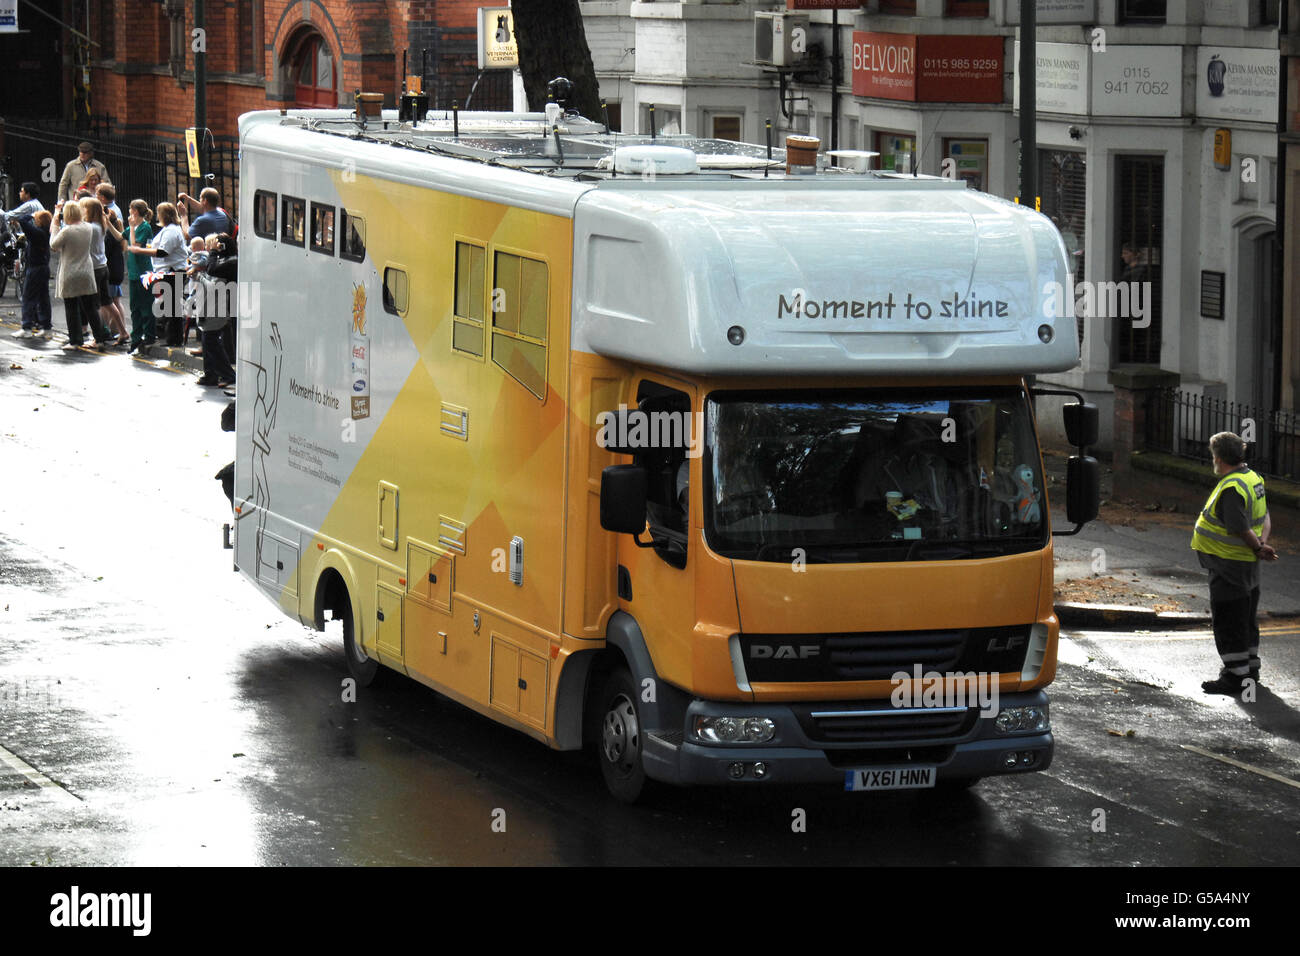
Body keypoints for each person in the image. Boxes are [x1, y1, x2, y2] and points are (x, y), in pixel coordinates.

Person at [1191, 431, 1278, 695]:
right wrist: (1261, 545)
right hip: (1246, 565)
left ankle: (1235, 678)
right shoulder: (1252, 479)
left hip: (1228, 566)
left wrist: (1258, 546)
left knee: (1229, 620)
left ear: (1218, 458)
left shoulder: (1231, 488)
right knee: (1245, 618)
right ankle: (1250, 669)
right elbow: (1264, 517)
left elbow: (1239, 526)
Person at [49, 200, 110, 350]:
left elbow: (53, 245)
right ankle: (100, 339)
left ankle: (75, 341)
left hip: (70, 271)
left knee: (71, 307)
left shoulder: (67, 231)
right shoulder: (88, 227)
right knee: (90, 307)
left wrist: (56, 223)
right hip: (86, 271)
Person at [127, 202, 187, 346]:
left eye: (159, 213)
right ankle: (172, 338)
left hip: (172, 271)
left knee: (172, 307)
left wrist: (140, 251)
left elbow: (163, 252)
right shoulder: (168, 229)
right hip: (166, 271)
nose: (157, 215)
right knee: (169, 306)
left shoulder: (171, 231)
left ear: (164, 215)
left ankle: (174, 339)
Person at [79, 197, 127, 346]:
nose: (82, 211)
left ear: (90, 211)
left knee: (94, 305)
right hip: (103, 267)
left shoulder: (90, 227)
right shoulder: (100, 225)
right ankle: (123, 331)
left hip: (93, 269)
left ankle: (97, 337)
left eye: (84, 208)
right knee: (108, 303)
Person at [195, 232, 237, 387]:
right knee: (209, 342)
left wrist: (199, 276)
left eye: (212, 245)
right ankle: (210, 374)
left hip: (220, 307)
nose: (209, 249)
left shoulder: (231, 262)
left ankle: (228, 375)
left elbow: (213, 281)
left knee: (211, 341)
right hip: (213, 307)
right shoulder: (224, 260)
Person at [12, 210, 52, 339]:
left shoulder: (37, 233)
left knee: (28, 297)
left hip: (35, 268)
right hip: (44, 268)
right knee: (43, 298)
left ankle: (26, 327)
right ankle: (46, 327)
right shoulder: (47, 232)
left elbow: (22, 220)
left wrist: (32, 215)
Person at [124, 200, 155, 351]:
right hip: (133, 273)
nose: (129, 210)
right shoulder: (134, 227)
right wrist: (107, 221)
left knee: (146, 307)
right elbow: (120, 237)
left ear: (135, 211)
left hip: (144, 273)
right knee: (134, 307)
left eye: (130, 208)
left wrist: (130, 227)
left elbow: (135, 245)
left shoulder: (144, 227)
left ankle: (149, 336)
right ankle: (135, 338)